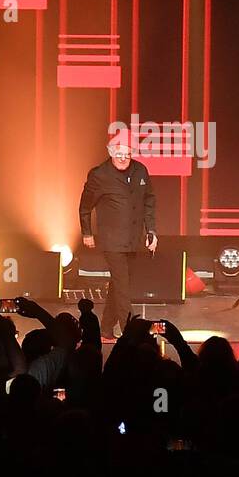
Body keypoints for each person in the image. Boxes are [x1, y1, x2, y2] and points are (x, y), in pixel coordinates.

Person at [78, 128, 157, 337]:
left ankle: (105, 327)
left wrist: (151, 232)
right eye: (119, 154)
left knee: (119, 283)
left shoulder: (140, 171)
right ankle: (130, 333)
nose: (123, 158)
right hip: (112, 240)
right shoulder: (99, 175)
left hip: (133, 238)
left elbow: (149, 201)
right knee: (123, 287)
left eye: (128, 154)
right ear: (111, 152)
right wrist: (87, 233)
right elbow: (85, 206)